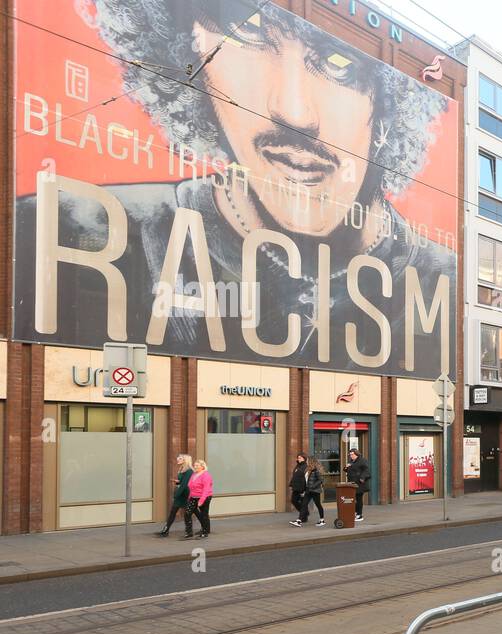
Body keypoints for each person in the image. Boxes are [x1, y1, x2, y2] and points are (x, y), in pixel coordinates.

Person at [13, 0, 456, 380]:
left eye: (339, 65)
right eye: (247, 33)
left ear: (390, 108)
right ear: (189, 52)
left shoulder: (448, 282)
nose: (294, 111)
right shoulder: (54, 228)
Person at [157, 454, 194, 537]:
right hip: (180, 493)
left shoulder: (189, 471)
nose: (177, 459)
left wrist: (176, 495)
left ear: (185, 460)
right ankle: (165, 530)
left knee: (189, 513)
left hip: (185, 494)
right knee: (173, 512)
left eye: (180, 458)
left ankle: (193, 531)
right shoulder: (181, 469)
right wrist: (177, 482)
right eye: (178, 457)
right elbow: (182, 482)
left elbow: (184, 485)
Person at [293, 458, 327, 527]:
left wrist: (312, 486)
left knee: (318, 505)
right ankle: (299, 521)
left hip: (315, 491)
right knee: (304, 505)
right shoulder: (308, 470)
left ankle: (322, 520)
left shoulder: (316, 471)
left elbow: (320, 480)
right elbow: (306, 481)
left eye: (308, 461)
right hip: (308, 490)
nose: (307, 462)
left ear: (311, 462)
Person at [187, 459, 214, 539]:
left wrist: (201, 500)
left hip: (205, 497)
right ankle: (190, 532)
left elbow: (206, 489)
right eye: (194, 465)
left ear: (202, 466)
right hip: (194, 497)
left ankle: (205, 532)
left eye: (197, 465)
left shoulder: (206, 475)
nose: (195, 467)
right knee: (188, 513)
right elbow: (191, 486)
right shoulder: (194, 474)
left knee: (204, 514)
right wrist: (190, 497)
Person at [345, 449, 371, 522]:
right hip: (352, 483)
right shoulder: (352, 461)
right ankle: (356, 513)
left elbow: (367, 470)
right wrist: (346, 467)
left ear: (357, 454)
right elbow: (347, 470)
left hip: (359, 484)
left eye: (352, 454)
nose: (351, 456)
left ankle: (359, 515)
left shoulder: (362, 461)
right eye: (350, 455)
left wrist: (362, 478)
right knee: (354, 499)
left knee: (358, 499)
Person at [289, 454, 308, 521]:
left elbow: (306, 479)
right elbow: (294, 476)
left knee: (303, 503)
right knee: (293, 500)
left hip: (302, 488)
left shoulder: (306, 467)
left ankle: (303, 517)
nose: (298, 459)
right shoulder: (297, 466)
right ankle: (305, 513)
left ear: (304, 458)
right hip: (296, 487)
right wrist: (291, 484)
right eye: (298, 458)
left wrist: (305, 489)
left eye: (300, 458)